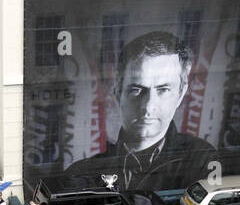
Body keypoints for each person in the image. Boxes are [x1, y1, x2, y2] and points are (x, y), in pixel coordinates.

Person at [64, 31, 215, 191]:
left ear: (180, 94)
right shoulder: (79, 174)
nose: (149, 105)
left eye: (163, 89)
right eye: (136, 89)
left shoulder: (203, 162)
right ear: (117, 91)